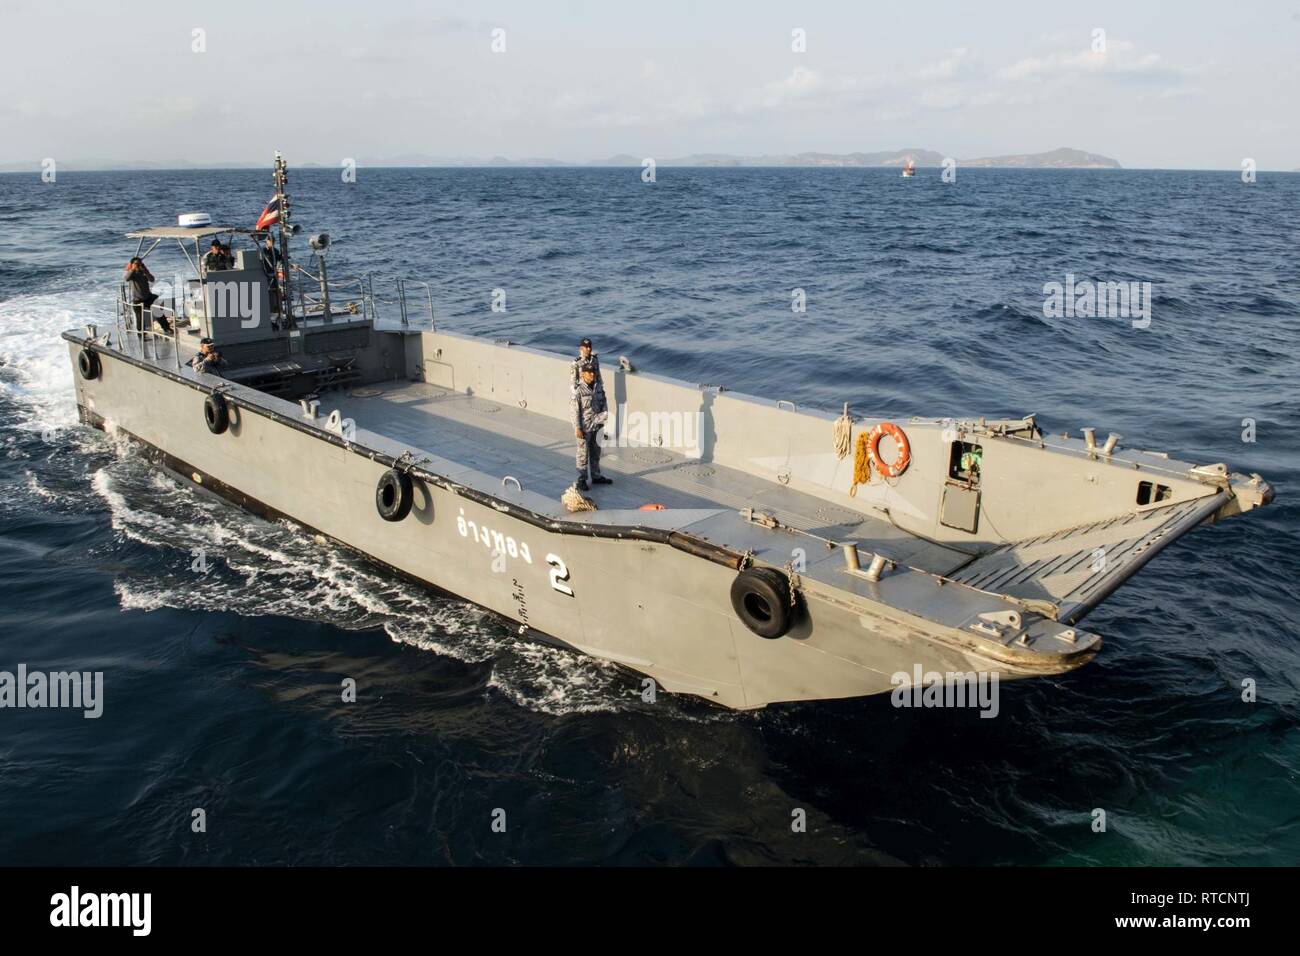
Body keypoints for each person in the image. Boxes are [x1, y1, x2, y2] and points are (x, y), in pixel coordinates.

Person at [570, 361, 611, 491]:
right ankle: (581, 479)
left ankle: (596, 475)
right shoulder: (578, 390)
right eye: (588, 372)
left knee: (596, 452)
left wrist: (604, 416)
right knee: (583, 453)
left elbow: (604, 403)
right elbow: (574, 411)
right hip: (584, 427)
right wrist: (577, 428)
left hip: (597, 425)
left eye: (593, 372)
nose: (592, 374)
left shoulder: (598, 387)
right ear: (583, 374)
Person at [123, 257, 171, 333]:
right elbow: (126, 278)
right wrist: (133, 269)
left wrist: (146, 271)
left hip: (148, 297)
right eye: (137, 264)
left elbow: (152, 279)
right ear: (132, 264)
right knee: (140, 318)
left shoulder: (143, 272)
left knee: (158, 311)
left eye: (140, 264)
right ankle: (141, 333)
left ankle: (166, 328)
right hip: (138, 299)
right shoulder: (132, 273)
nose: (138, 265)